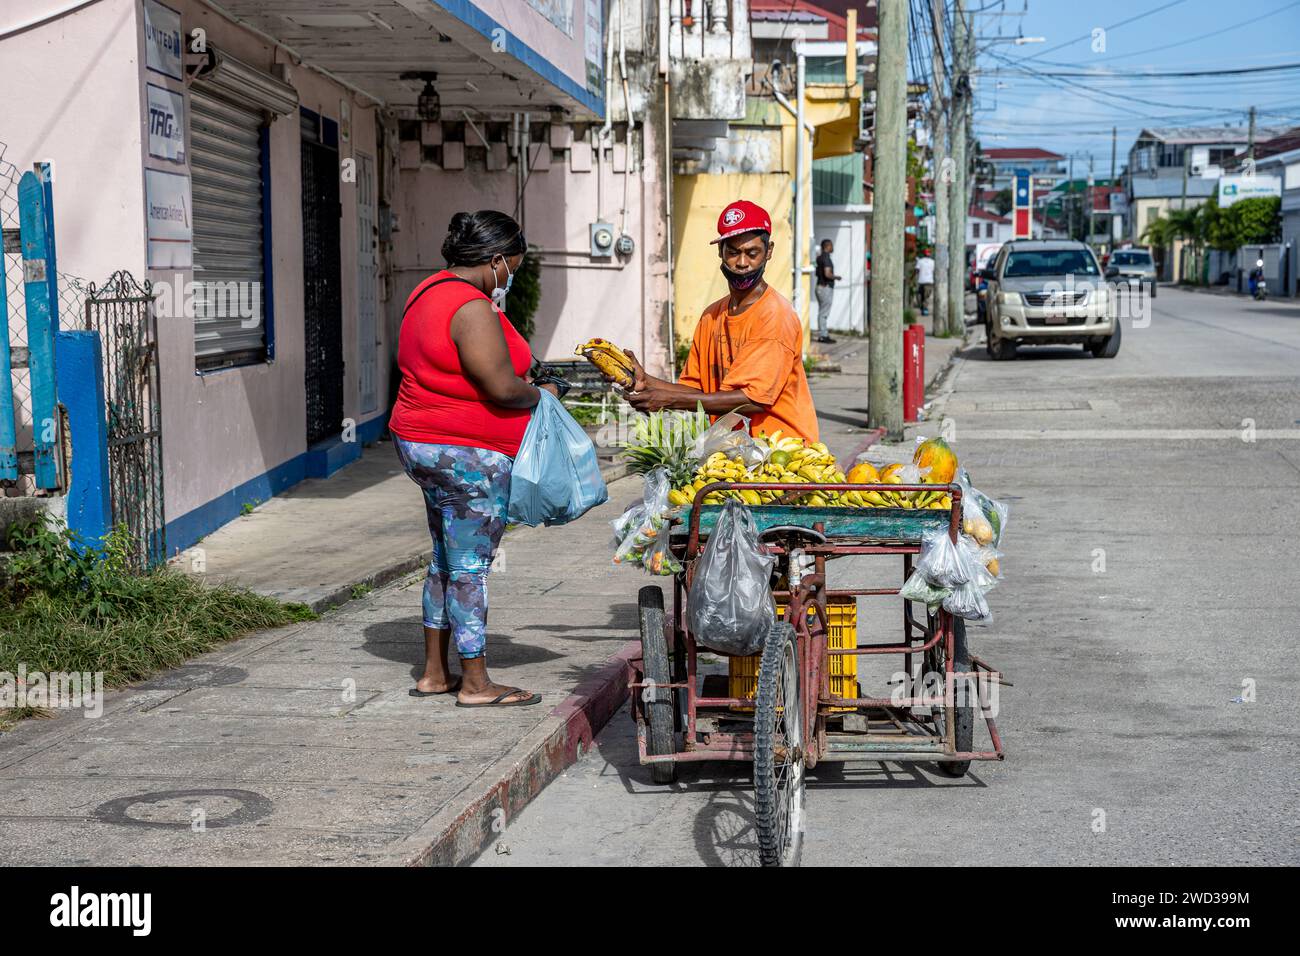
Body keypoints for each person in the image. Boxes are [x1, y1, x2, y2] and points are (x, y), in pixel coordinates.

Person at [388, 210, 556, 709]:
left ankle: (434, 673)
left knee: (443, 557)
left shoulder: (427, 291)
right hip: (463, 456)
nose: (511, 277)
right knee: (470, 567)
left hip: (419, 442)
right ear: (496, 260)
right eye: (513, 268)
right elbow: (501, 387)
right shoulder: (471, 307)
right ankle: (477, 684)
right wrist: (542, 394)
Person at [610, 199, 820, 443]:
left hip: (783, 453)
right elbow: (698, 390)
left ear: (769, 251)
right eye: (733, 252)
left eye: (752, 253)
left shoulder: (775, 315)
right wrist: (646, 382)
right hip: (736, 452)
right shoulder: (712, 315)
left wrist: (668, 400)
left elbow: (753, 400)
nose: (742, 263)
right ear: (720, 251)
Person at [814, 238, 840, 344]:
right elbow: (827, 274)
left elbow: (817, 273)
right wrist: (836, 277)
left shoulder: (819, 257)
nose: (832, 247)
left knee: (822, 312)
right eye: (831, 245)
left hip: (820, 287)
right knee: (824, 313)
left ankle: (823, 334)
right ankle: (823, 336)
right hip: (825, 288)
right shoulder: (826, 258)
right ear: (827, 246)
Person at [915, 248, 935, 322]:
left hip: (922, 281)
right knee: (925, 297)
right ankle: (924, 308)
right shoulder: (932, 262)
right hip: (928, 282)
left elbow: (917, 270)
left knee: (921, 297)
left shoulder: (920, 261)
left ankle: (924, 309)